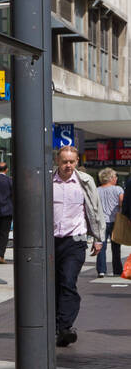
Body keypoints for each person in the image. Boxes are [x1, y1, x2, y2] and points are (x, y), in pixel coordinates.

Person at [52, 146, 102, 347]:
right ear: (58, 161)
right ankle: (57, 325)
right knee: (54, 284)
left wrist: (98, 238)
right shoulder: (48, 182)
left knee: (68, 281)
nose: (68, 166)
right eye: (65, 161)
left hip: (76, 240)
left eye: (72, 162)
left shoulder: (85, 181)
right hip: (51, 240)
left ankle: (65, 327)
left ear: (77, 161)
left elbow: (95, 210)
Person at [96, 168, 124, 277]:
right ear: (111, 178)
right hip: (115, 221)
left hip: (101, 222)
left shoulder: (97, 190)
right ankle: (117, 269)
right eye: (115, 176)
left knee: (101, 246)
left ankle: (101, 270)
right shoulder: (118, 189)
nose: (116, 178)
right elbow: (122, 202)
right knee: (116, 247)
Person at [0, 161, 14, 264]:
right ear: (6, 170)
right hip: (7, 211)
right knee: (4, 235)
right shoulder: (9, 181)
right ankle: (0, 255)